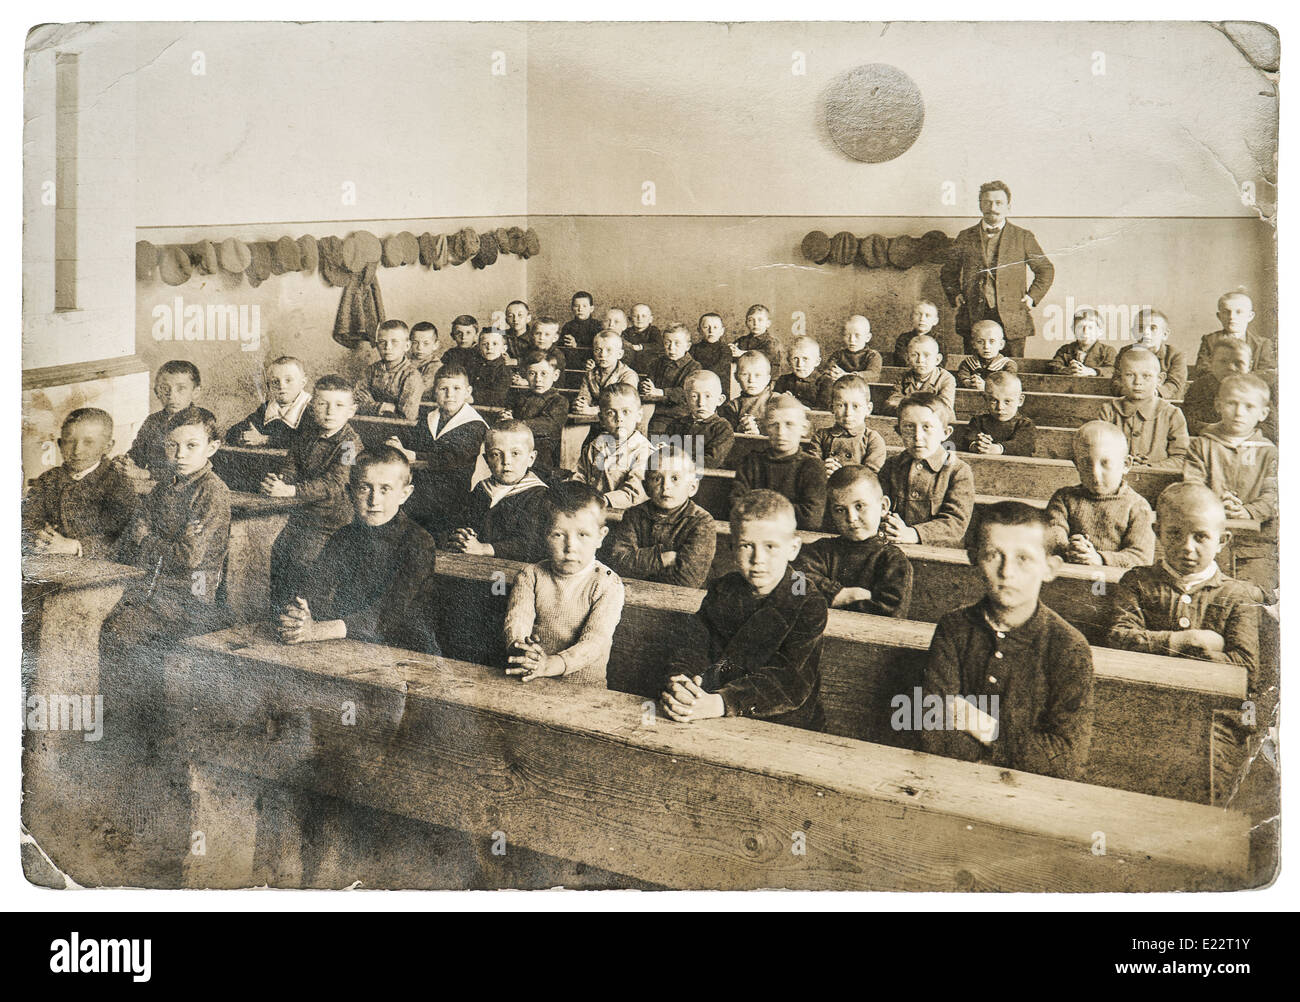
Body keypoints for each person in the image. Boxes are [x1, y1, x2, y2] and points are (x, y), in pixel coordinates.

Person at [919, 501, 1094, 780]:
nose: (1007, 572)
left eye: (1023, 558)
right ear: (974, 558)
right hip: (951, 782)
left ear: (1050, 568)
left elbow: (1066, 757)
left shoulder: (1068, 647)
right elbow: (931, 725)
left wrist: (984, 727)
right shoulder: (953, 628)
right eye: (993, 555)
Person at [99, 406, 232, 727]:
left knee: (119, 632)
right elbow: (134, 532)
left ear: (211, 447)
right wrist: (145, 540)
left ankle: (137, 720)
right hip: (154, 592)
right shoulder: (164, 487)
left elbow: (188, 556)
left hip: (191, 600)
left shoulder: (211, 492)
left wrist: (149, 540)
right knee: (106, 623)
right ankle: (132, 716)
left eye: (191, 446)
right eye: (172, 445)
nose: (180, 454)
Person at [660, 490, 828, 729]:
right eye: (747, 546)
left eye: (771, 546)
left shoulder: (808, 602)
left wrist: (721, 702)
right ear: (732, 548)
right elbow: (694, 644)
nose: (758, 559)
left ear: (793, 548)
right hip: (709, 705)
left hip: (779, 721)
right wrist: (683, 681)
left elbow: (789, 680)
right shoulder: (723, 589)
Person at [278, 446, 440, 654]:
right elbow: (312, 586)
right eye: (365, 488)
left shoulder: (419, 541)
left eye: (385, 489)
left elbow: (385, 613)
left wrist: (318, 630)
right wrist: (299, 614)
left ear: (404, 494)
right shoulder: (343, 536)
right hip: (347, 639)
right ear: (349, 492)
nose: (374, 500)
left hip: (407, 650)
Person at [1108, 483, 1261, 685]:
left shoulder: (1239, 595)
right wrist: (1187, 641)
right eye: (1175, 534)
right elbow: (1118, 638)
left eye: (1200, 537)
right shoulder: (1136, 581)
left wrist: (1164, 649)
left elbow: (1247, 670)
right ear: (1158, 533)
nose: (1187, 547)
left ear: (1222, 541)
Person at [503, 482, 625, 685]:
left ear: (600, 537)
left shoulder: (607, 584)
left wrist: (549, 665)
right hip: (530, 678)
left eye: (583, 535)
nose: (570, 547)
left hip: (583, 690)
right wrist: (521, 648)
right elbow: (517, 620)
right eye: (558, 535)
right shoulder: (530, 575)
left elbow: (594, 642)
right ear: (544, 534)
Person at [263, 374, 365, 609]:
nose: (330, 411)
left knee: (302, 561)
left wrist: (290, 491)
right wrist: (278, 482)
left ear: (352, 410)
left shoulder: (350, 444)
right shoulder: (306, 435)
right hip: (303, 515)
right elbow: (291, 465)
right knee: (278, 552)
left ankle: (302, 614)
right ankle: (278, 613)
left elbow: (334, 483)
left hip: (331, 521)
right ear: (312, 407)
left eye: (339, 405)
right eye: (322, 404)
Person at [940, 180, 1055, 358]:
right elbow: (948, 272)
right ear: (980, 205)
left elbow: (1045, 269)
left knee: (1011, 370)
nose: (992, 207)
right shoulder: (965, 236)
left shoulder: (1023, 237)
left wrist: (1032, 297)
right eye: (987, 202)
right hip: (973, 315)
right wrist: (955, 294)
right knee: (973, 369)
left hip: (1011, 317)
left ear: (1008, 207)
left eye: (998, 203)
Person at [794, 464, 913, 617]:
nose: (851, 518)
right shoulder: (821, 550)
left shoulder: (892, 560)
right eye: (840, 510)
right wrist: (839, 594)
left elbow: (890, 612)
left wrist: (823, 603)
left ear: (883, 507)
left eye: (859, 506)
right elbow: (795, 580)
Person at [385, 363, 488, 534]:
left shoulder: (474, 424)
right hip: (424, 487)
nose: (450, 395)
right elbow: (415, 441)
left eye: (456, 388)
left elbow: (453, 459)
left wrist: (413, 455)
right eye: (443, 389)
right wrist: (399, 443)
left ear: (468, 392)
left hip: (455, 492)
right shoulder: (430, 417)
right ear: (435, 392)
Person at [23, 407, 137, 558]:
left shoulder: (117, 483)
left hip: (99, 567)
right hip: (51, 559)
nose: (77, 451)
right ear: (59, 443)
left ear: (107, 447)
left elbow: (124, 538)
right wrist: (37, 538)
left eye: (88, 442)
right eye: (69, 442)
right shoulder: (48, 480)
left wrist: (75, 546)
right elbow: (27, 521)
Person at [604, 443, 717, 589]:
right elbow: (618, 562)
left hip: (683, 601)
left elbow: (688, 579)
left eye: (675, 478)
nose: (666, 486)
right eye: (657, 478)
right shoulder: (633, 515)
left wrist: (641, 564)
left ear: (692, 487)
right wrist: (662, 558)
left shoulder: (701, 521)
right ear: (645, 487)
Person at [1044, 421, 1155, 568]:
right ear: (1077, 464)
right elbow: (1053, 532)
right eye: (1086, 463)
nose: (1095, 473)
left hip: (1113, 585)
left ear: (1126, 464)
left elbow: (1141, 558)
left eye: (1105, 463)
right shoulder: (1063, 498)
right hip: (1069, 575)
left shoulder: (1138, 507)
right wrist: (1070, 548)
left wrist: (1100, 559)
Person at [878, 393, 975, 546]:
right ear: (899, 431)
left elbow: (955, 523)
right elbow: (878, 506)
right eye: (909, 427)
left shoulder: (958, 471)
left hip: (937, 553)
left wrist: (914, 534)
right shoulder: (891, 465)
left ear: (945, 433)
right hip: (892, 545)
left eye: (927, 427)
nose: (918, 436)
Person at [446, 420, 550, 563]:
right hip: (476, 564)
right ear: (486, 460)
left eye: (515, 453)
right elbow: (465, 521)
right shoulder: (481, 489)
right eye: (496, 454)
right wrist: (463, 536)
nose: (506, 461)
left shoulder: (539, 496)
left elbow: (533, 545)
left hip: (515, 570)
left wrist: (485, 549)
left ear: (531, 458)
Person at [730, 394, 828, 531]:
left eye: (789, 424)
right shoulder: (751, 462)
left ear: (804, 428)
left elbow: (811, 518)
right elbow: (736, 506)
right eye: (774, 425)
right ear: (765, 427)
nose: (781, 432)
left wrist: (758, 507)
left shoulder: (812, 466)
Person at [1099, 347, 1189, 470]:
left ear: (1160, 379)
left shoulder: (1172, 414)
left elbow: (1181, 458)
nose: (1138, 382)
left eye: (1146, 376)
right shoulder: (1108, 411)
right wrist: (1122, 463)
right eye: (1130, 375)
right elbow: (1099, 451)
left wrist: (1149, 467)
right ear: (1120, 378)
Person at [117, 359, 203, 481]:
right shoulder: (153, 420)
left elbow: (191, 469)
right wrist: (128, 461)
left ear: (195, 392)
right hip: (153, 486)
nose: (172, 396)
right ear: (157, 392)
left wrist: (146, 474)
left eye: (181, 389)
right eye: (165, 388)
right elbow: (138, 452)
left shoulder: (199, 423)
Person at [573, 384, 653, 510]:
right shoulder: (595, 446)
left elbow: (635, 492)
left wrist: (603, 500)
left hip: (623, 516)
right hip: (591, 511)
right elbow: (579, 477)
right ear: (601, 419)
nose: (619, 418)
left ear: (639, 415)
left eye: (626, 412)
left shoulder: (644, 451)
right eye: (610, 413)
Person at [502, 348, 569, 470]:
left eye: (544, 373)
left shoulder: (559, 401)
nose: (538, 379)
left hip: (543, 452)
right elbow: (510, 410)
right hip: (517, 446)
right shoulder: (520, 397)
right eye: (532, 373)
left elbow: (549, 424)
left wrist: (517, 424)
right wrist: (506, 415)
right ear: (525, 375)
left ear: (555, 375)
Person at [225, 356, 313, 447]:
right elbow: (232, 432)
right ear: (268, 386)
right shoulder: (268, 408)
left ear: (303, 382)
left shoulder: (311, 407)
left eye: (288, 380)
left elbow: (309, 440)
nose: (281, 386)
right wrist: (243, 436)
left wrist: (266, 440)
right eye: (275, 382)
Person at [806, 374, 886, 474]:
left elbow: (871, 474)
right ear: (831, 407)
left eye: (856, 406)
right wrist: (823, 470)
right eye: (841, 405)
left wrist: (841, 473)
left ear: (868, 409)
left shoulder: (872, 439)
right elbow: (811, 466)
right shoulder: (821, 436)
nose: (848, 413)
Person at [663, 369, 734, 470]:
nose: (701, 403)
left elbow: (711, 461)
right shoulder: (676, 424)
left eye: (708, 396)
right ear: (685, 399)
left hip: (707, 478)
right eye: (694, 396)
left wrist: (678, 461)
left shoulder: (722, 428)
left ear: (720, 400)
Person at [1192, 290, 1275, 376]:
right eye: (1226, 312)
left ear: (1250, 316)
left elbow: (1267, 374)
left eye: (1239, 312)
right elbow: (1202, 369)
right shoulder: (1210, 340)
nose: (1232, 317)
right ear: (1219, 316)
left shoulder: (1263, 344)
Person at [354, 320, 424, 420]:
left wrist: (370, 404)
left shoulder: (412, 376)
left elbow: (407, 416)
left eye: (394, 342)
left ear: (407, 346)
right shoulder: (370, 370)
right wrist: (382, 407)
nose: (388, 347)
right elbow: (354, 403)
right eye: (382, 342)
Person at [640, 322, 702, 435]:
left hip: (679, 414)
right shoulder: (656, 363)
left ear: (687, 346)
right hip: (654, 410)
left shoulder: (694, 367)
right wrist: (646, 387)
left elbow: (686, 392)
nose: (671, 348)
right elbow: (649, 384)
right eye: (667, 343)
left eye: (677, 343)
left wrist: (661, 392)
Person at [957, 370, 1037, 456]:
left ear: (1020, 400)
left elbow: (1023, 445)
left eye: (1007, 401)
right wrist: (977, 445)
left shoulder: (1025, 424)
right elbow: (967, 439)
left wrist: (997, 448)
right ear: (986, 399)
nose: (1000, 407)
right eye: (994, 401)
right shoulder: (978, 421)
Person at [1115, 308, 1186, 399]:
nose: (1145, 333)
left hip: (1162, 404)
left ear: (1165, 334)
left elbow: (1174, 384)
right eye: (1140, 328)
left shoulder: (1176, 355)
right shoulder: (1125, 352)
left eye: (1152, 328)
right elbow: (1116, 381)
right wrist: (1129, 391)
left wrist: (1151, 393)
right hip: (1129, 399)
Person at [884, 333, 956, 416]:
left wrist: (908, 408)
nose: (920, 360)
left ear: (937, 359)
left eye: (926, 355)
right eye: (914, 355)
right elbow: (892, 403)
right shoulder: (902, 378)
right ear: (907, 358)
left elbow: (945, 409)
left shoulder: (946, 379)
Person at [718, 351, 774, 434]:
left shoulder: (776, 400)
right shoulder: (732, 406)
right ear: (736, 377)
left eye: (757, 375)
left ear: (767, 379)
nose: (751, 380)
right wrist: (739, 428)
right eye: (745, 374)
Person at [1049, 307, 1115, 378]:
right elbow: (1052, 366)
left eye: (1090, 328)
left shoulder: (1108, 351)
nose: (1085, 332)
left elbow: (1112, 370)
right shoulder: (1065, 349)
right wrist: (1068, 370)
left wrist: (1092, 371)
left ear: (1100, 331)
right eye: (1080, 327)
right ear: (1073, 329)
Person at [773, 336, 832, 410]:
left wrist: (797, 406)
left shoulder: (825, 382)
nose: (800, 364)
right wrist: (780, 398)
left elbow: (824, 411)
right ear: (789, 361)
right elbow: (773, 404)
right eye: (795, 359)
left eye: (805, 359)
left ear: (817, 362)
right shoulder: (783, 380)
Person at [956, 319, 1017, 390]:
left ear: (1001, 344)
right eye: (980, 342)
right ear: (973, 344)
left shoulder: (1008, 365)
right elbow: (962, 379)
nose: (986, 346)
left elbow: (1007, 386)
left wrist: (985, 386)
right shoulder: (968, 363)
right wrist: (970, 383)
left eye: (992, 341)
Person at [731, 303, 787, 376]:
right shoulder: (742, 341)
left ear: (768, 323)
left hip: (766, 380)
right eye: (751, 320)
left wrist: (742, 353)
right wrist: (731, 349)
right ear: (746, 323)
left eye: (760, 320)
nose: (755, 323)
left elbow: (766, 356)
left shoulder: (772, 342)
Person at [826, 315, 883, 383]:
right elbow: (828, 370)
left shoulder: (872, 355)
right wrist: (833, 373)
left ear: (868, 337)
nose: (852, 340)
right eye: (847, 335)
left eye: (857, 335)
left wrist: (848, 376)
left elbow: (873, 375)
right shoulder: (838, 355)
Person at [690, 312, 733, 397]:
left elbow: (721, 368)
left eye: (715, 327)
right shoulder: (693, 349)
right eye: (706, 327)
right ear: (699, 331)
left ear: (722, 331)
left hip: (717, 387)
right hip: (697, 386)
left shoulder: (725, 350)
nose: (711, 330)